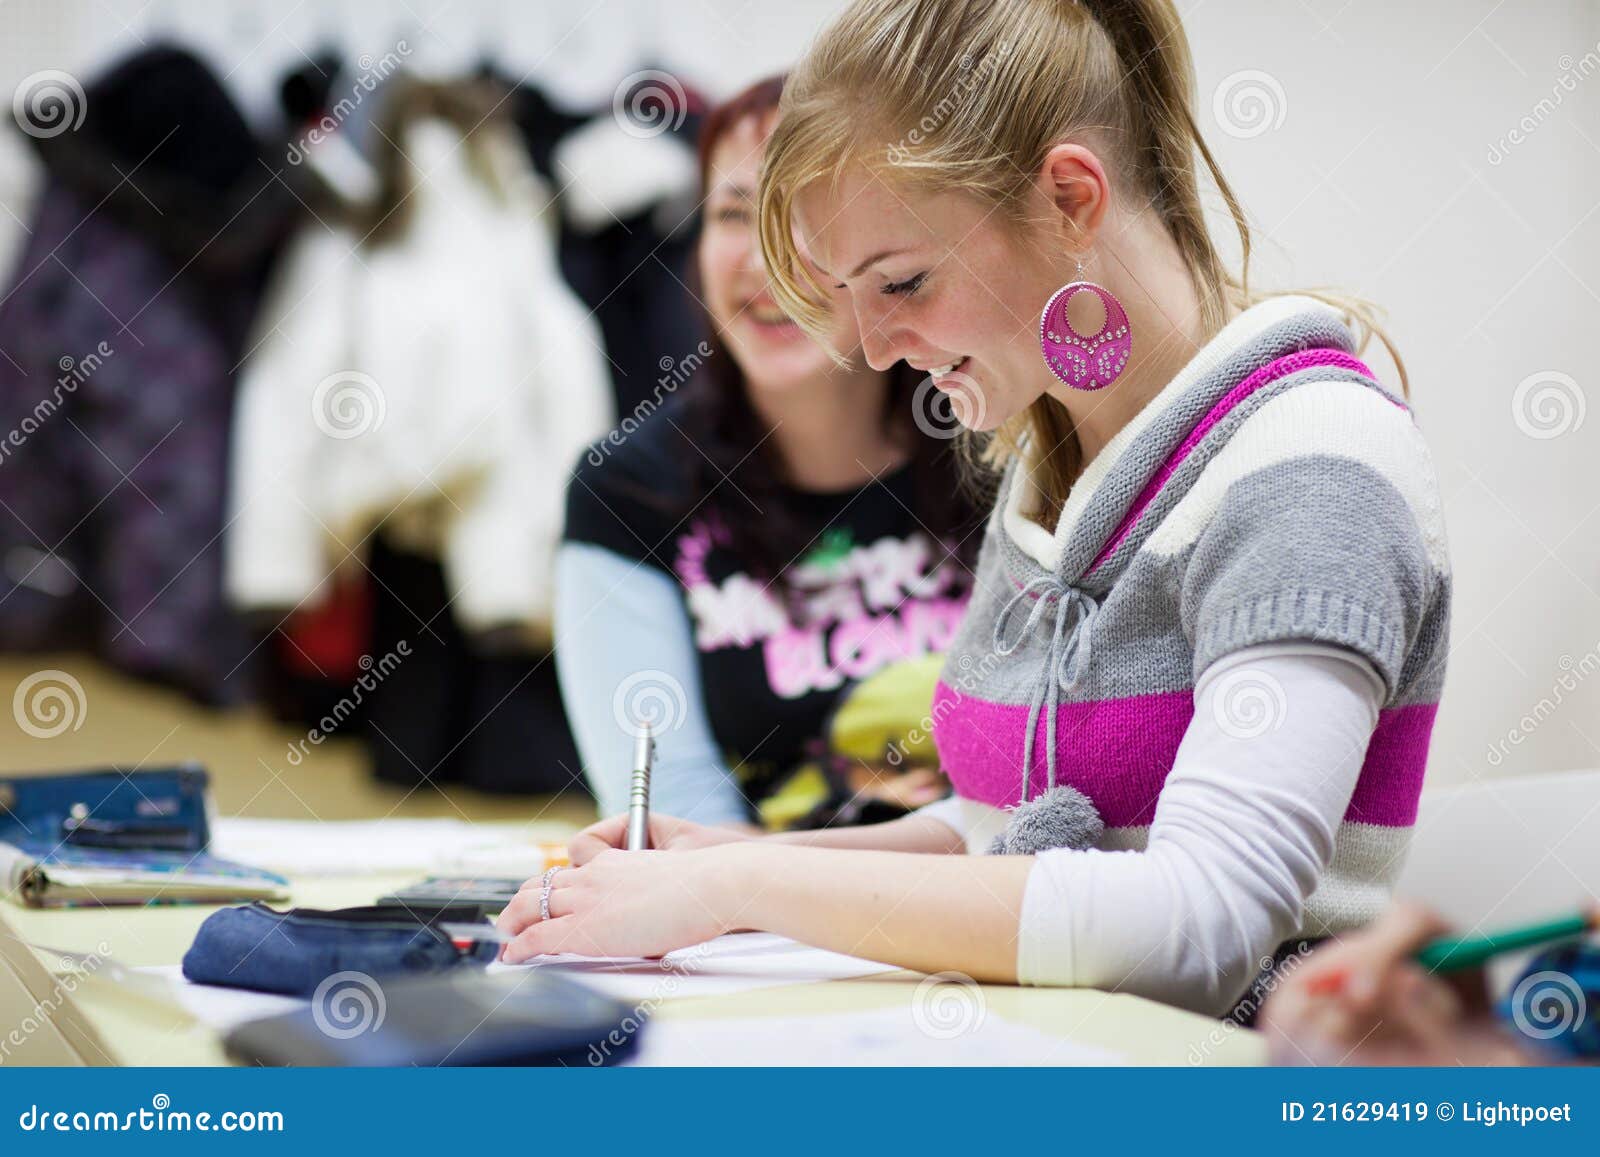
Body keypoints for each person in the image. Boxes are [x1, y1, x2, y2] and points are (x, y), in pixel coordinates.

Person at [504, 0, 1451, 1019]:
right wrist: (737, 859)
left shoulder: (1311, 466)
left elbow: (1202, 924)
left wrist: (741, 886)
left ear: (1069, 198)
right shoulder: (1054, 461)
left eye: (901, 280)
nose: (865, 347)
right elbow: (1002, 824)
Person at [556, 76, 978, 832]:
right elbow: (666, 810)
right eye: (732, 212)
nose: (764, 259)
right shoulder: (628, 488)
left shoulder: (998, 446)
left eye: (805, 215)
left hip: (990, 918)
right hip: (749, 936)